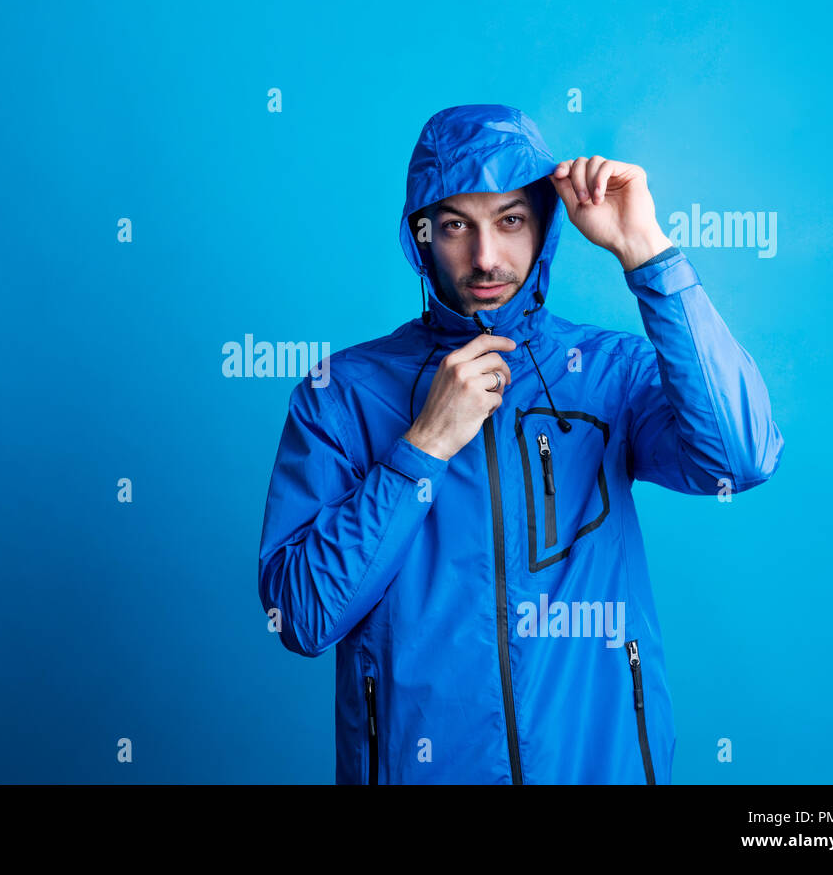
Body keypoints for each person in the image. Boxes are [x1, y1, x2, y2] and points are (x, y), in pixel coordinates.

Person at [257, 104, 784, 784]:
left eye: (510, 220)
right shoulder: (343, 393)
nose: (486, 258)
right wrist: (422, 447)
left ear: (544, 227)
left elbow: (740, 457)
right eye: (455, 226)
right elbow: (301, 613)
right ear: (420, 238)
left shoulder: (606, 373)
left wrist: (648, 253)